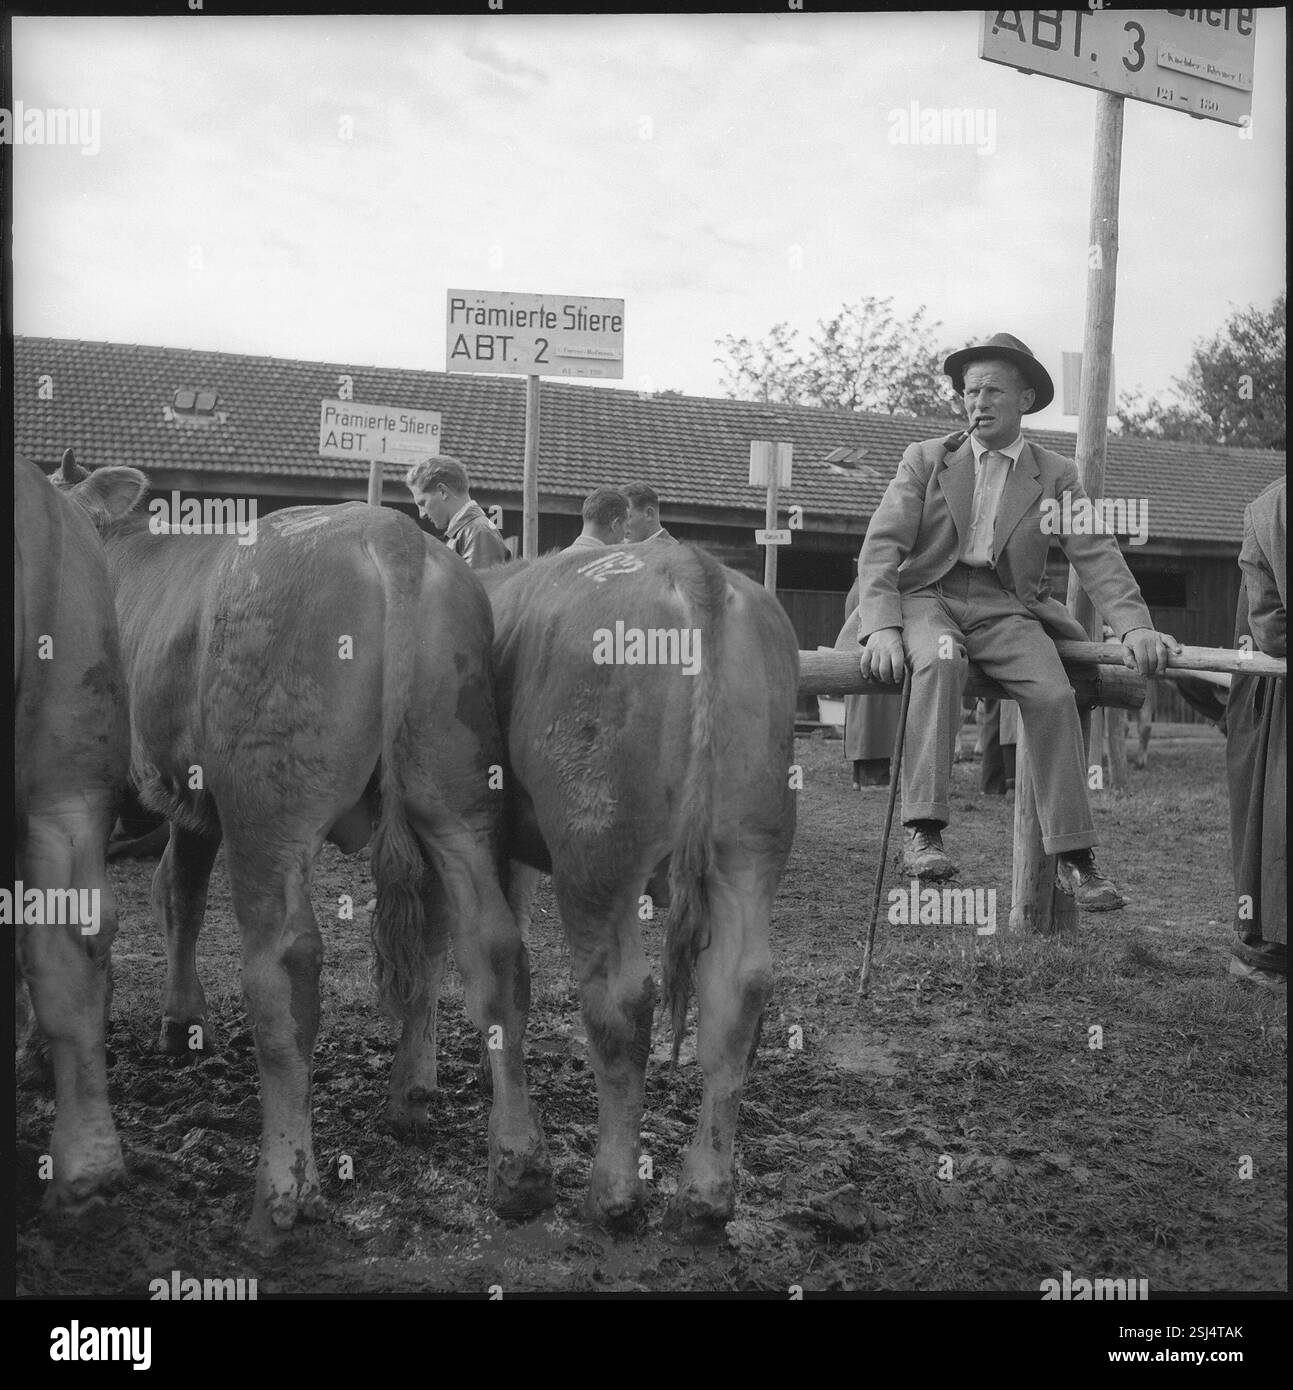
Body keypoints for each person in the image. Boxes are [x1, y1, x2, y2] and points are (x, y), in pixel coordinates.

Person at [856, 332, 1180, 911]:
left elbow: (1097, 553)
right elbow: (882, 547)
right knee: (940, 659)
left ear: (1025, 399)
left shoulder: (1055, 475)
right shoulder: (927, 459)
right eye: (969, 391)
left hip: (1008, 609)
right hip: (931, 596)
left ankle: (1076, 858)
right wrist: (881, 625)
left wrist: (1134, 626)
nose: (977, 402)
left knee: (1054, 692)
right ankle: (923, 828)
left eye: (992, 391)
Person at [1225, 477, 1286, 988]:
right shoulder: (1270, 510)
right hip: (1277, 690)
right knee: (1273, 818)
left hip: (1268, 680)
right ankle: (1264, 954)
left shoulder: (1268, 505)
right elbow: (1270, 627)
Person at [836, 577, 902, 788]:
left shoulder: (859, 585)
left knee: (863, 725)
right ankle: (873, 780)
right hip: (871, 659)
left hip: (861, 658)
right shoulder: (873, 586)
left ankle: (860, 778)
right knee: (873, 724)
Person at [406, 455, 509, 569]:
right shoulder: (469, 533)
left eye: (422, 503)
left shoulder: (479, 533)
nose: (422, 514)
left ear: (443, 491)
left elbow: (477, 586)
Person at [565, 487, 629, 551]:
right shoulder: (610, 559)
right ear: (616, 525)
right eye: (625, 525)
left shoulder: (558, 557)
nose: (625, 534)